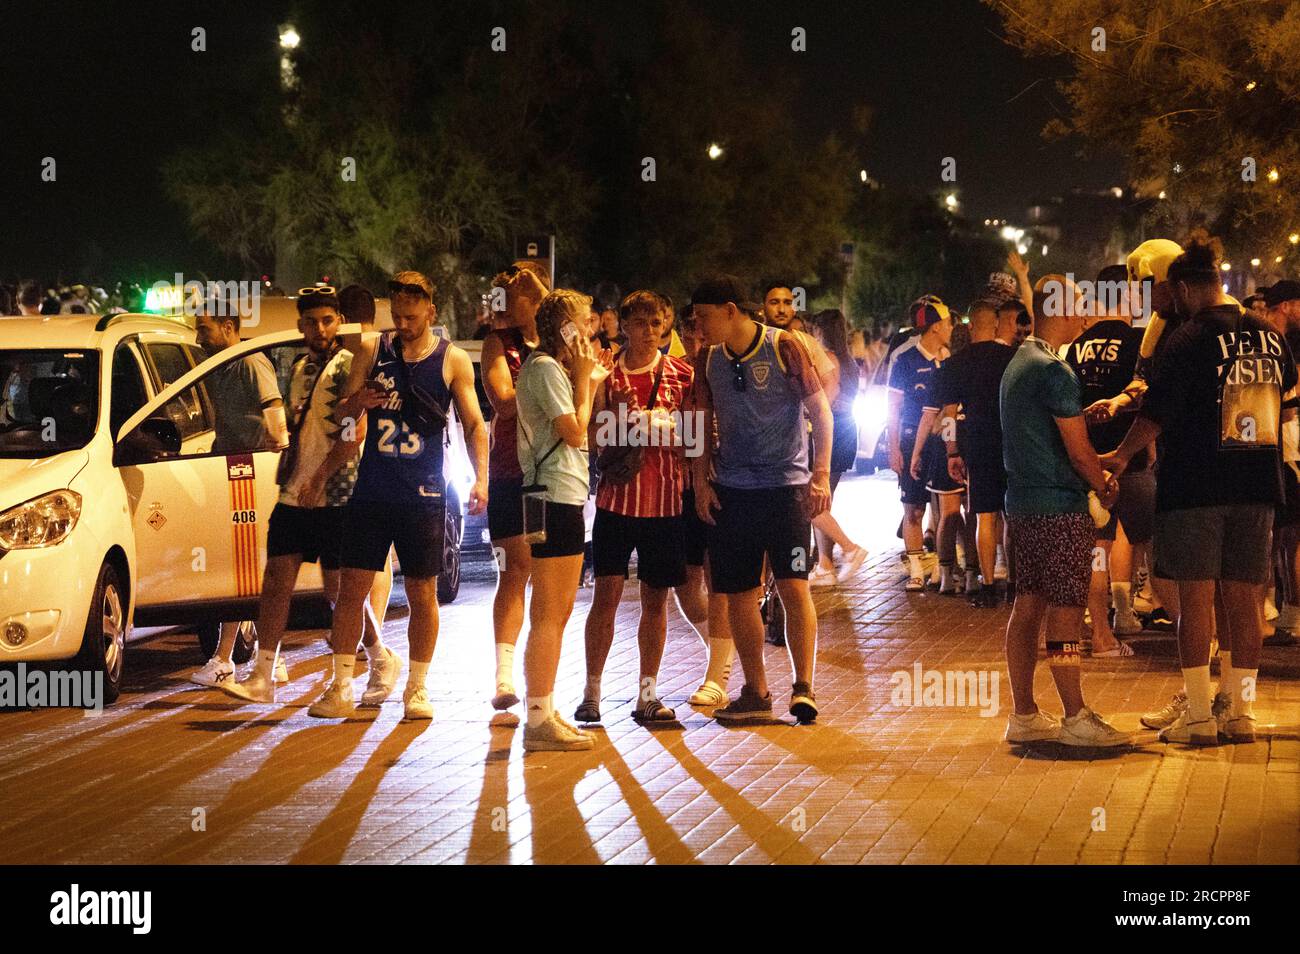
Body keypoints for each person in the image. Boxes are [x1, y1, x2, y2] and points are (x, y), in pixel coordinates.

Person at [1104, 244, 1297, 744]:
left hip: (1196, 486)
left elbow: (1157, 414)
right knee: (1245, 601)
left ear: (1186, 288)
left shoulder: (1188, 338)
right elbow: (1288, 392)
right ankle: (1240, 713)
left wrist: (1122, 456)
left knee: (1196, 602)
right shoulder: (1269, 336)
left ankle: (1197, 716)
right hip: (1258, 485)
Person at [309, 271, 488, 721]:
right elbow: (344, 414)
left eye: (412, 316)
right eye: (397, 314)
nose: (404, 324)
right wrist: (360, 402)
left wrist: (480, 478)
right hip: (373, 489)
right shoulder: (373, 349)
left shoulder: (452, 360)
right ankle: (341, 685)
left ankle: (418, 687)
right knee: (352, 590)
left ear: (430, 311)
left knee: (422, 591)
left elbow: (473, 425)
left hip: (424, 492)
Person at [221, 288, 399, 703]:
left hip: (338, 495)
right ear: (299, 325)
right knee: (276, 579)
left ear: (339, 321)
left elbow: (353, 435)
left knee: (339, 591)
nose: (318, 329)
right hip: (295, 492)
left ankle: (378, 656)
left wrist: (319, 478)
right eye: (310, 322)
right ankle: (262, 675)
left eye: (326, 320)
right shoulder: (301, 367)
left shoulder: (347, 366)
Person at [691, 274, 832, 724]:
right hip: (732, 492)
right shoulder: (707, 358)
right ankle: (755, 690)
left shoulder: (783, 346)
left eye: (704, 316)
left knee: (793, 586)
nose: (697, 326)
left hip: (785, 490)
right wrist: (700, 482)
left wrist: (821, 474)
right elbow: (697, 423)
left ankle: (803, 687)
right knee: (736, 595)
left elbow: (821, 413)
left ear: (731, 310)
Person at [999, 285, 1131, 747]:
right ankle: (1075, 716)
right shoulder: (1055, 370)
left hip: (1023, 504)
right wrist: (1103, 484)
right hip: (1059, 506)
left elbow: (1047, 435)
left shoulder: (1018, 363)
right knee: (1067, 611)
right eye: (1082, 308)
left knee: (1028, 603)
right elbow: (1078, 455)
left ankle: (1024, 713)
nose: (1087, 318)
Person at [576, 291, 694, 724]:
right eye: (640, 322)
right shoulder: (605, 373)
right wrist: (628, 422)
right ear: (623, 324)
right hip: (615, 501)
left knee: (655, 601)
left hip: (665, 504)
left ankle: (647, 694)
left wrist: (652, 426)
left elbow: (695, 439)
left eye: (657, 322)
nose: (649, 331)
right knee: (605, 597)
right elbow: (591, 437)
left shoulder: (682, 373)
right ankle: (591, 693)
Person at [515, 289, 613, 750]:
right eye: (585, 322)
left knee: (555, 611)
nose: (592, 330)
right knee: (550, 614)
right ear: (567, 328)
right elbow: (574, 432)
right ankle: (538, 720)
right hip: (551, 495)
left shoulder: (548, 369)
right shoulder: (546, 369)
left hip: (556, 496)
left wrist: (583, 376)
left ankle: (544, 707)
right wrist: (586, 381)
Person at [189, 300, 290, 688]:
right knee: (242, 567)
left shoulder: (249, 362)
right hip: (231, 472)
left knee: (249, 566)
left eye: (205, 328)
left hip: (251, 476)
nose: (200, 336)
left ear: (229, 326)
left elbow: (274, 409)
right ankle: (247, 656)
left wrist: (275, 449)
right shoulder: (220, 368)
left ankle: (230, 657)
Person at [1064, 265, 1153, 657]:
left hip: (1085, 458)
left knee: (1097, 545)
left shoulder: (1074, 345)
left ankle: (1100, 632)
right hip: (1128, 455)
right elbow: (1148, 400)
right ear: (1127, 295)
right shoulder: (1138, 342)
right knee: (1145, 540)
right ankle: (1132, 613)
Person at [481, 261, 550, 716]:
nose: (502, 302)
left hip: (547, 476)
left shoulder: (561, 343)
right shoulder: (497, 344)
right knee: (513, 572)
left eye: (513, 294)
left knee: (547, 576)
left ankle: (541, 681)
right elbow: (503, 404)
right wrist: (548, 387)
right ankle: (504, 674)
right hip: (509, 473)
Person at [930, 299, 1017, 606]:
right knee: (1012, 516)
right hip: (1010, 443)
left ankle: (988, 586)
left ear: (969, 326)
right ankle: (1015, 584)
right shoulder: (1011, 357)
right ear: (995, 323)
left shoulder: (956, 363)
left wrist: (952, 452)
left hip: (977, 444)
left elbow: (950, 415)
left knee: (984, 517)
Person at [672, 307, 736, 706]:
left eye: (701, 328)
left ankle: (718, 675)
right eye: (689, 330)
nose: (697, 336)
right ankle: (724, 644)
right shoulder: (677, 371)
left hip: (722, 481)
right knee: (683, 582)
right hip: (680, 483)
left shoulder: (727, 369)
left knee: (719, 581)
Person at [887, 296, 953, 591]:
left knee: (943, 509)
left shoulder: (948, 360)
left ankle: (943, 567)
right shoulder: (905, 360)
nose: (952, 328)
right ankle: (915, 569)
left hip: (939, 442)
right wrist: (893, 448)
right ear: (936, 327)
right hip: (911, 437)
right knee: (913, 507)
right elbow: (893, 408)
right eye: (949, 323)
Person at [808, 309, 869, 586]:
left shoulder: (829, 360)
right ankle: (825, 564)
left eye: (815, 330)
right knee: (825, 499)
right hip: (846, 432)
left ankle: (843, 551)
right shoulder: (850, 363)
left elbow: (826, 403)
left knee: (813, 498)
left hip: (830, 433)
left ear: (822, 332)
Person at [1263, 280, 1300, 646]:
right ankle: (1279, 612)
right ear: (1287, 305)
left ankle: (1279, 611)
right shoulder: (1279, 343)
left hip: (1278, 448)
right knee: (1285, 537)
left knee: (1281, 536)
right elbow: (1288, 410)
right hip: (1285, 449)